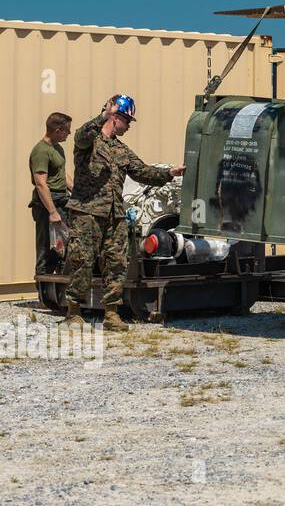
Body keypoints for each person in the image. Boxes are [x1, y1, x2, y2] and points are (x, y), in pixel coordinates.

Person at [63, 95, 185, 330]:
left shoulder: (121, 150)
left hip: (114, 214)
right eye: (127, 121)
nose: (129, 127)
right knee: (82, 262)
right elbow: (80, 135)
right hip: (86, 212)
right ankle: (73, 312)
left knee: (117, 263)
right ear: (116, 118)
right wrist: (102, 116)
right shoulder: (89, 141)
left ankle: (111, 314)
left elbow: (142, 172)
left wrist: (170, 173)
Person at [30, 112, 73, 278]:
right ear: (57, 130)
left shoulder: (58, 149)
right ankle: (43, 291)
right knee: (45, 247)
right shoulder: (41, 151)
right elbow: (41, 183)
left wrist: (75, 191)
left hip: (62, 200)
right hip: (48, 202)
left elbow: (61, 174)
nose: (69, 133)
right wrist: (52, 212)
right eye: (66, 130)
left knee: (63, 246)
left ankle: (59, 287)